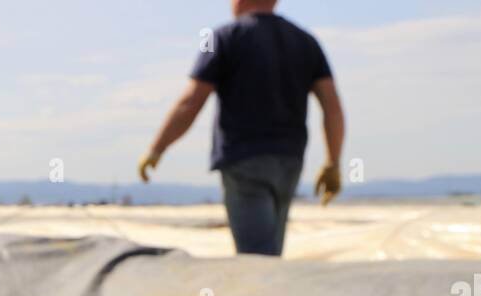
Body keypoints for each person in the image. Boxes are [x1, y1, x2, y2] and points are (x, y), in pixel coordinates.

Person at [138, 0, 344, 256]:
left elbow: (190, 102)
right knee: (270, 252)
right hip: (290, 161)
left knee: (256, 259)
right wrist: (333, 162)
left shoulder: (222, 37)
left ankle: (263, 294)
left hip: (244, 162)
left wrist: (157, 148)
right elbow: (332, 106)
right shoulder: (305, 41)